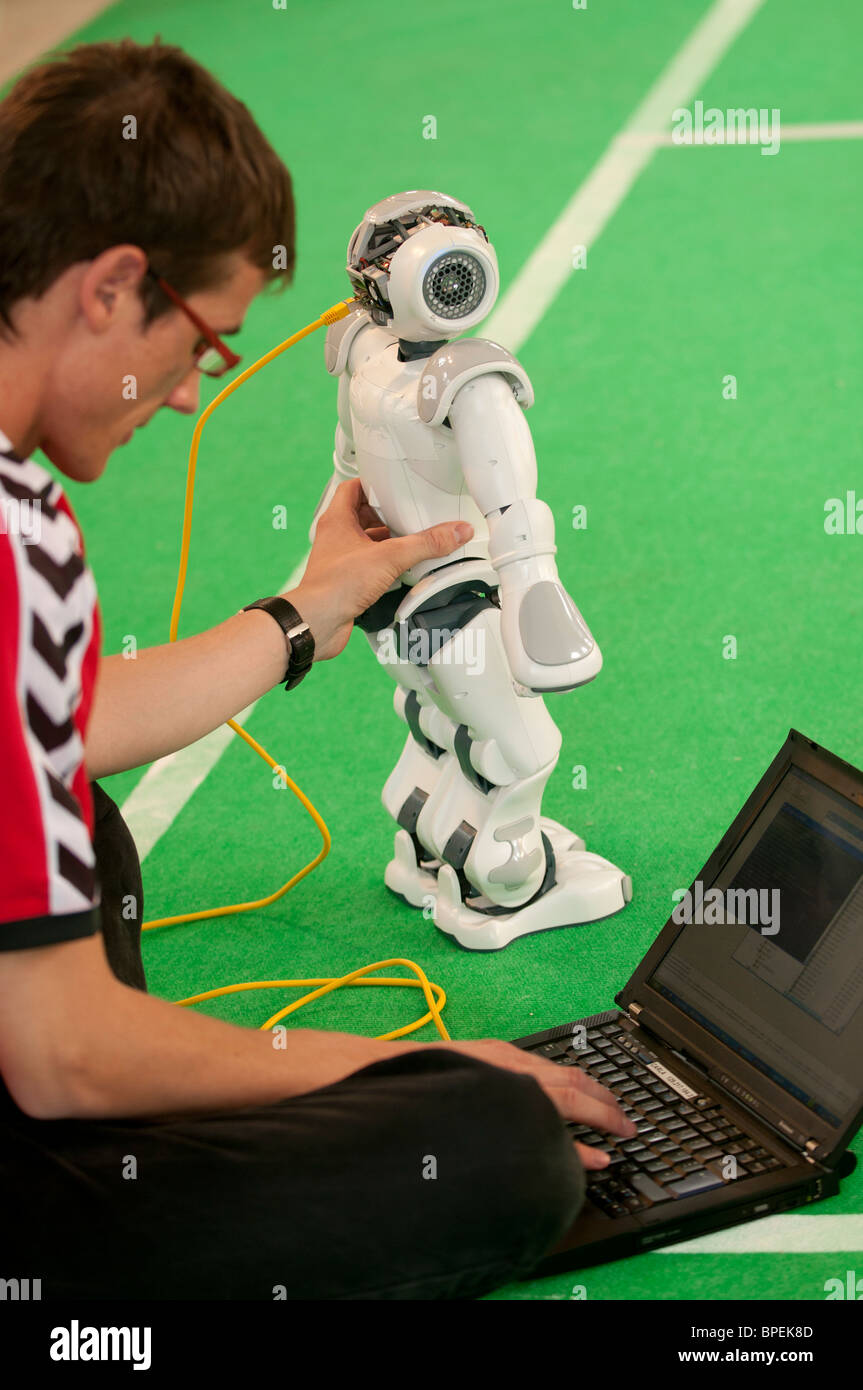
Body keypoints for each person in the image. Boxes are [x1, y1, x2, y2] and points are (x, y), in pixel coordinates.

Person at [0, 38, 634, 1300]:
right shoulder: (17, 537)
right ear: (112, 285)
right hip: (39, 1076)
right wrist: (416, 1071)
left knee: (89, 838)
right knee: (498, 1151)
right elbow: (59, 1055)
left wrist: (308, 608)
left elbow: (50, 727)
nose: (188, 396)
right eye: (204, 342)